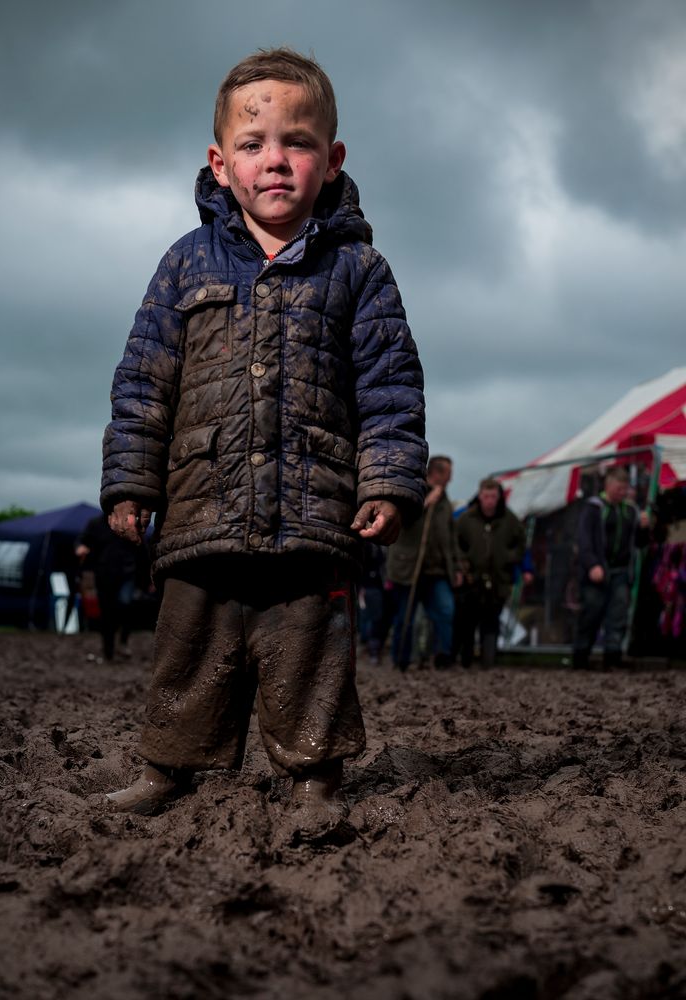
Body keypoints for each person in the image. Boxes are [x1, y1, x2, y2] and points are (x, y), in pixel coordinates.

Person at [100, 48, 427, 821]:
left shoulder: (359, 270)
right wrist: (131, 481)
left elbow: (389, 388)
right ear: (220, 164)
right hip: (202, 504)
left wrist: (387, 482)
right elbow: (144, 381)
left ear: (332, 159)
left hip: (314, 509)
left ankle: (315, 779)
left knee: (310, 647)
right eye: (253, 144)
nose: (275, 160)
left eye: (297, 142)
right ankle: (166, 769)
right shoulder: (184, 264)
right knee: (189, 646)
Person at [386, 455, 461, 670]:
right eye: (448, 474)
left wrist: (456, 566)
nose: (450, 479)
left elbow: (451, 536)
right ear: (436, 473)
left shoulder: (445, 501)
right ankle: (401, 659)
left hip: (436, 570)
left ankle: (443, 657)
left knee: (445, 610)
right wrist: (426, 503)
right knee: (406, 616)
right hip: (410, 567)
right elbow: (404, 520)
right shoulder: (413, 490)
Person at [573, 466, 649, 669]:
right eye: (618, 488)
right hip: (597, 571)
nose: (622, 493)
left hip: (621, 571)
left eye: (625, 489)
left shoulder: (630, 510)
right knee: (591, 613)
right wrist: (592, 565)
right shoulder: (593, 508)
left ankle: (613, 657)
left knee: (618, 615)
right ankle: (581, 656)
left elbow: (640, 543)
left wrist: (644, 528)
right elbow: (584, 540)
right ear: (608, 486)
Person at [455, 478, 526, 668]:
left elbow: (521, 543)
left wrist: (509, 558)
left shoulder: (509, 520)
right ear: (480, 496)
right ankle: (466, 660)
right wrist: (462, 563)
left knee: (491, 622)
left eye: (493, 496)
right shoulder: (466, 519)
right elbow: (456, 543)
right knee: (468, 622)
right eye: (486, 496)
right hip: (472, 580)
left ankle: (488, 662)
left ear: (499, 497)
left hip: (498, 581)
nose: (489, 501)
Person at [76, 513, 140, 662]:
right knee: (107, 613)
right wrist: (80, 547)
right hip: (104, 575)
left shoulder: (128, 521)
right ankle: (108, 651)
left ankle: (123, 640)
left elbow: (141, 546)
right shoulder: (96, 523)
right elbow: (82, 540)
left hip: (126, 572)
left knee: (125, 604)